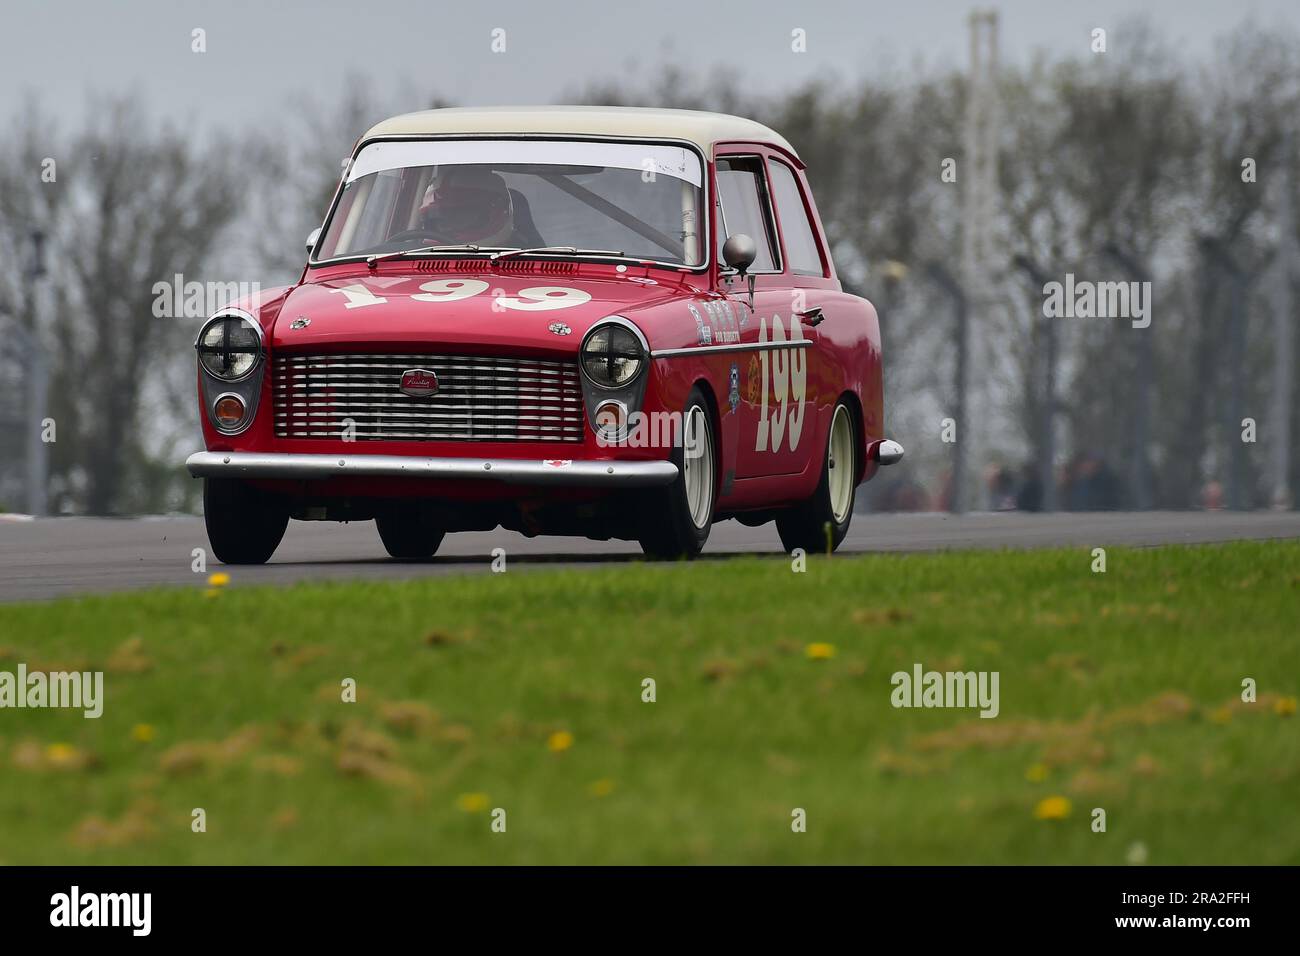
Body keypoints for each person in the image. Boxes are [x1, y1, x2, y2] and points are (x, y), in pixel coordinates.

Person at [417, 166, 516, 246]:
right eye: (439, 217)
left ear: (496, 215)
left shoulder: (521, 257)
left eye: (459, 215)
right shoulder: (413, 253)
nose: (444, 228)